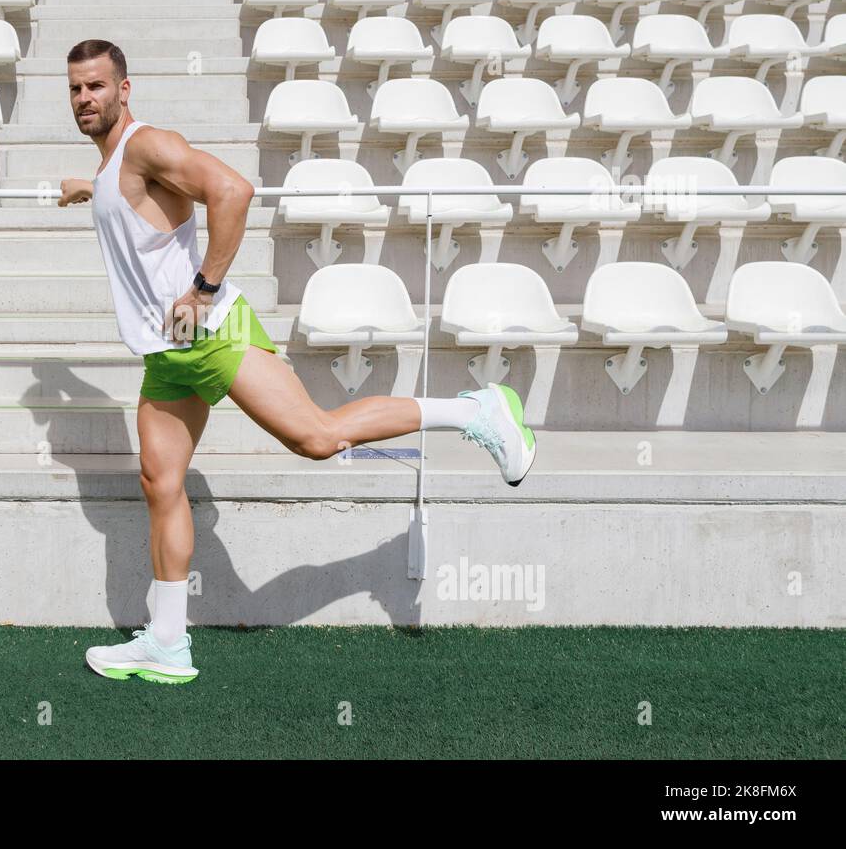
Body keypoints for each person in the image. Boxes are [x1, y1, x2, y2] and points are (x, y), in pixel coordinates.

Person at [59, 40, 536, 685]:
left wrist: (201, 291)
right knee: (160, 483)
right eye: (76, 89)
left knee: (317, 436)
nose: (85, 98)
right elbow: (140, 205)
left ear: (124, 89)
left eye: (96, 87)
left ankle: (477, 408)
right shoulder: (119, 162)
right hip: (165, 352)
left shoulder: (146, 145)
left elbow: (234, 190)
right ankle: (167, 643)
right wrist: (91, 188)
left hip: (210, 334)